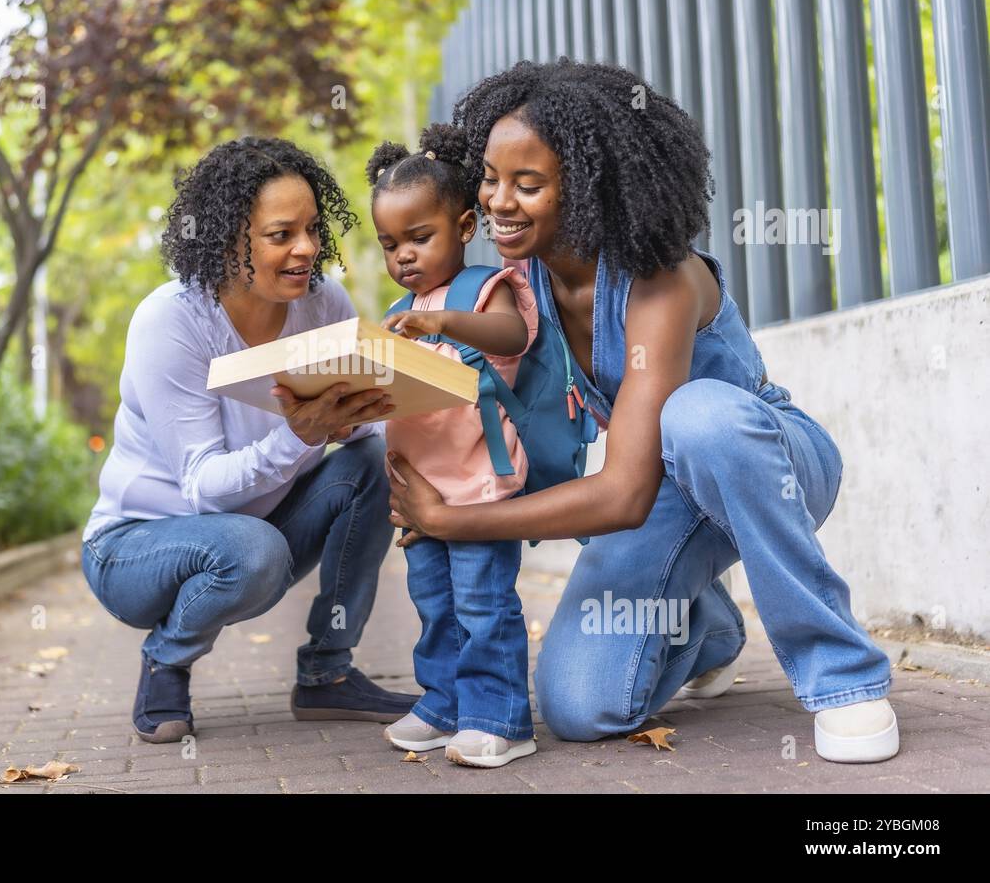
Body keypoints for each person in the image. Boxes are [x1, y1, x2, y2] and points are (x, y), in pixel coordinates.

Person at [385, 59, 899, 764]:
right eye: (492, 179)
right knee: (577, 706)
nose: (500, 202)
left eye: (528, 185)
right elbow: (489, 402)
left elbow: (622, 496)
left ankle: (843, 678)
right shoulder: (521, 281)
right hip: (663, 494)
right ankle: (709, 627)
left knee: (697, 417)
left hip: (763, 460)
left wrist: (450, 520)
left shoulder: (661, 281)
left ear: (590, 187)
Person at [81, 136, 418, 743]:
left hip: (258, 528)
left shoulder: (323, 304)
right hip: (135, 549)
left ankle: (327, 673)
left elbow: (357, 421)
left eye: (313, 228)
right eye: (281, 234)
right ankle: (167, 659)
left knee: (371, 461)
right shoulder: (172, 322)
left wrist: (355, 419)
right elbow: (205, 490)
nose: (307, 249)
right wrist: (298, 436)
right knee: (253, 548)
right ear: (231, 237)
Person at [368, 124, 540, 768]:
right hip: (422, 494)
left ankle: (501, 718)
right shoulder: (399, 310)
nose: (404, 256)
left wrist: (437, 321)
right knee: (434, 604)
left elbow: (512, 335)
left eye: (420, 237)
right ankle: (444, 704)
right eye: (390, 244)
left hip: (479, 488)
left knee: (483, 604)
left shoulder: (479, 291)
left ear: (465, 225)